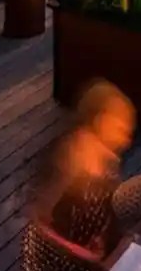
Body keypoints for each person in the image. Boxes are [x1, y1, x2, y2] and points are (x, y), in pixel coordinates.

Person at [29, 81, 135, 260]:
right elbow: (42, 226)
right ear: (100, 120)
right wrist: (85, 256)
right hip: (62, 261)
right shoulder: (70, 163)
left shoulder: (108, 162)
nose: (127, 139)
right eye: (121, 127)